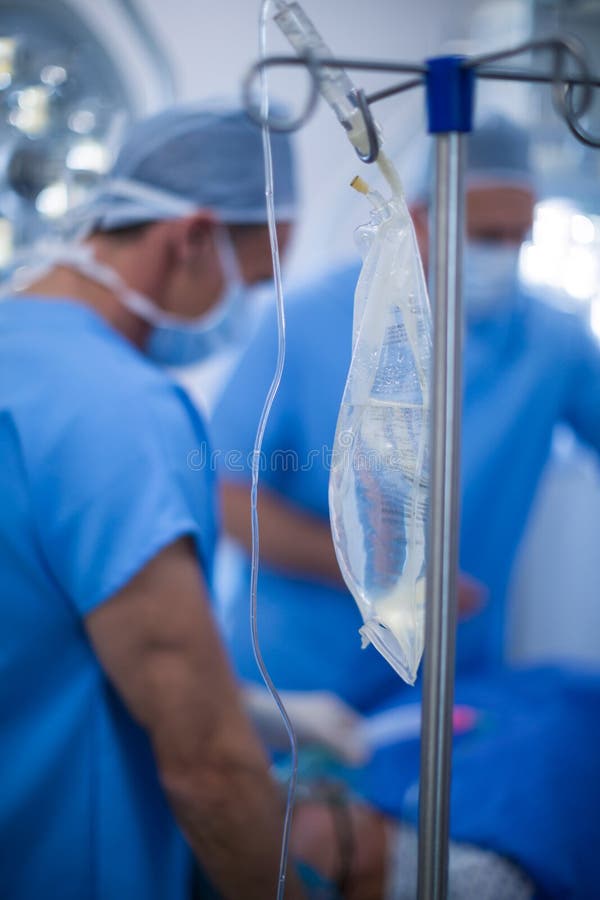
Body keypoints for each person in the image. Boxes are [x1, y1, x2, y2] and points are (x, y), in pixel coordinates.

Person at [209, 114, 600, 897]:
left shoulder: (551, 341)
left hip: (447, 680)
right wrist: (384, 577)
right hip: (298, 675)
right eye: (484, 234)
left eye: (519, 237)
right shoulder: (308, 323)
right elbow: (229, 497)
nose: (504, 256)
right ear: (417, 215)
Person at [0, 102, 329, 900]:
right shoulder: (119, 408)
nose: (247, 313)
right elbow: (208, 768)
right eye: (254, 283)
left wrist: (237, 699)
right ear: (190, 237)